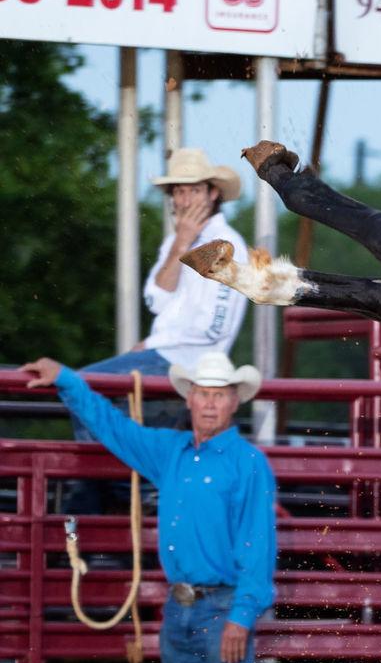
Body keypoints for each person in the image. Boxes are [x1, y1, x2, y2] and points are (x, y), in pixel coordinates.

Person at [22, 350, 277, 663]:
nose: (209, 403)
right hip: (182, 608)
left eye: (219, 395)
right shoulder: (171, 452)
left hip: (221, 606)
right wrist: (67, 380)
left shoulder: (247, 462)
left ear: (233, 401)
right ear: (190, 399)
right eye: (202, 394)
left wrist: (243, 614)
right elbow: (111, 427)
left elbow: (258, 543)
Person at [64, 148, 250, 511]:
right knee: (89, 391)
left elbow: (212, 327)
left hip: (183, 357)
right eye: (178, 191)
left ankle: (111, 484)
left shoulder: (226, 247)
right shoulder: (179, 240)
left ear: (212, 193)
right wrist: (181, 244)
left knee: (83, 386)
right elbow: (156, 299)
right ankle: (116, 485)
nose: (184, 199)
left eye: (193, 190)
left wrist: (152, 343)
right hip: (166, 353)